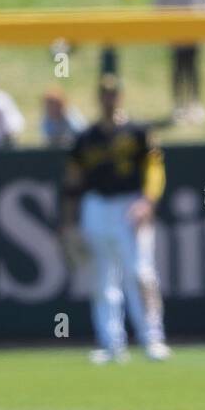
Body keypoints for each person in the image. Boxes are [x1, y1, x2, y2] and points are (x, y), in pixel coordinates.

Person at [62, 74, 172, 363]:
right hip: (97, 204)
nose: (109, 99)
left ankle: (152, 338)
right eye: (104, 94)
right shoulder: (86, 137)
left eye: (113, 94)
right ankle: (111, 343)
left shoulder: (138, 132)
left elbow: (155, 168)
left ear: (120, 97)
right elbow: (73, 179)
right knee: (102, 277)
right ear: (98, 98)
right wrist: (69, 221)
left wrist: (148, 201)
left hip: (129, 203)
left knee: (140, 272)